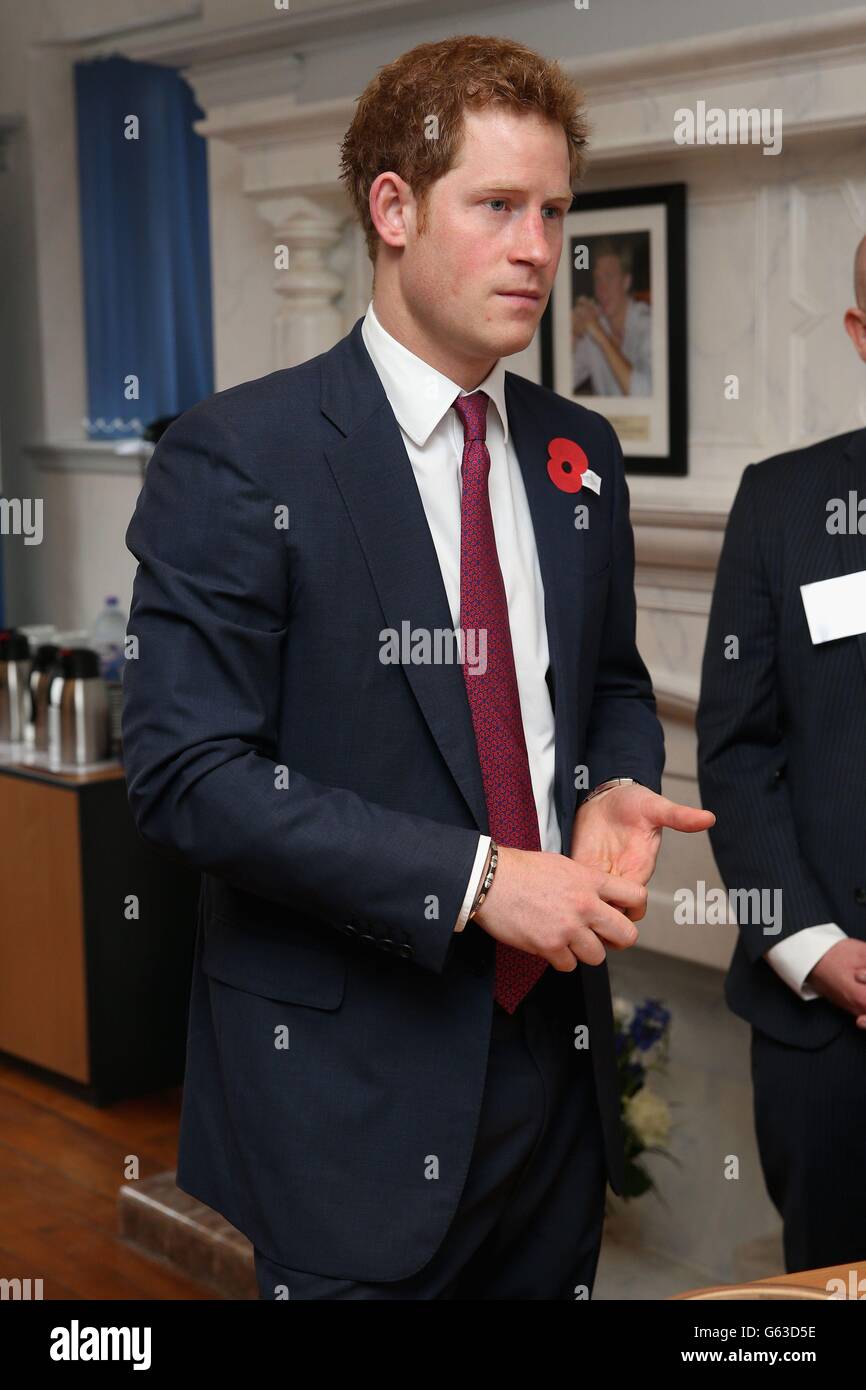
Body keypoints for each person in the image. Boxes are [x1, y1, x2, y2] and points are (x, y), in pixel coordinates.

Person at [122, 33, 712, 1301]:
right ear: (391, 208)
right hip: (348, 1101)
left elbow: (605, 682)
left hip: (552, 1082)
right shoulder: (240, 457)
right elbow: (185, 774)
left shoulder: (578, 452)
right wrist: (478, 879)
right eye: (496, 206)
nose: (539, 249)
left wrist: (612, 782)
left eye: (553, 212)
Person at [696, 234, 866, 1274]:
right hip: (824, 1041)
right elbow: (732, 751)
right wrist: (815, 947)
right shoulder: (779, 504)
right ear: (859, 334)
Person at [572, 239, 652, 397]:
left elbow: (644, 393)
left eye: (609, 277)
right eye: (598, 279)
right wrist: (573, 335)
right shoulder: (594, 326)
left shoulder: (647, 323)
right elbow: (559, 383)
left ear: (626, 281)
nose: (602, 289)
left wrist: (601, 336)